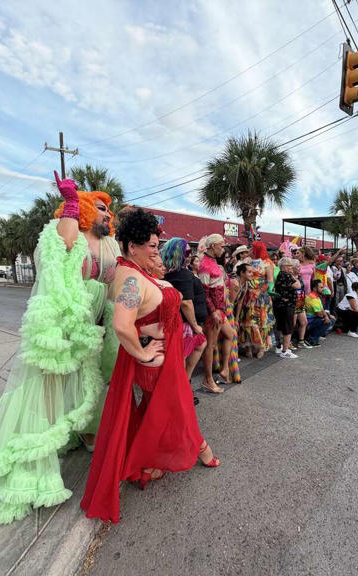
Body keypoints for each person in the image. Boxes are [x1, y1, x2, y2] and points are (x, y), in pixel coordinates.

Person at [0, 173, 121, 525]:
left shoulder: (112, 245)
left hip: (94, 325)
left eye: (109, 210)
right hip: (64, 325)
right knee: (43, 393)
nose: (107, 215)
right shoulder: (68, 235)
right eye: (99, 208)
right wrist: (72, 205)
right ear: (80, 213)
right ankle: (28, 475)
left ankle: (85, 434)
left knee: (90, 382)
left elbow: (115, 285)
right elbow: (60, 249)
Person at [81, 209, 220, 524]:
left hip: (165, 356)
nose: (158, 251)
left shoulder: (136, 271)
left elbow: (142, 315)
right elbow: (121, 324)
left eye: (158, 246)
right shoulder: (130, 277)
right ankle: (202, 451)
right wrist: (143, 354)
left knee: (163, 410)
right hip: (157, 361)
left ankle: (145, 462)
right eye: (153, 247)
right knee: (179, 408)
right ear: (133, 247)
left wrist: (147, 331)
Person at [161, 238, 207, 384]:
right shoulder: (181, 274)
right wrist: (195, 326)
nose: (190, 255)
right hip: (182, 324)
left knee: (199, 345)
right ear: (178, 254)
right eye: (187, 252)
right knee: (181, 357)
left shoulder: (169, 272)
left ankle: (183, 383)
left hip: (174, 323)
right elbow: (186, 303)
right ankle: (182, 386)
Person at [198, 234, 233, 393]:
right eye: (221, 245)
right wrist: (213, 312)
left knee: (230, 334)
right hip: (213, 312)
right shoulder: (205, 265)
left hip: (219, 309)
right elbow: (203, 293)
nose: (223, 248)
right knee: (210, 345)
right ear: (213, 247)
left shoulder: (211, 262)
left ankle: (224, 369)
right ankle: (208, 379)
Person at [272, 257, 299, 358]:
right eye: (289, 265)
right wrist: (294, 278)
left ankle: (279, 347)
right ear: (284, 266)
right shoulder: (287, 275)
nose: (291, 267)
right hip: (287, 305)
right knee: (288, 327)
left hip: (279, 304)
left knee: (280, 326)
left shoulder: (279, 275)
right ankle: (285, 351)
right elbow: (298, 285)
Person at [304, 279, 335, 346]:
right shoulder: (313, 298)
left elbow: (322, 309)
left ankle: (315, 336)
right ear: (315, 288)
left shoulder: (315, 296)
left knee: (330, 318)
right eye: (321, 287)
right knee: (328, 321)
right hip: (309, 321)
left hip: (313, 319)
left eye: (323, 287)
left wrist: (327, 316)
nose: (323, 289)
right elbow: (319, 314)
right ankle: (311, 339)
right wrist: (326, 317)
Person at [291, 260, 310, 349]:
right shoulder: (290, 277)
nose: (299, 268)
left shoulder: (299, 276)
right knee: (293, 323)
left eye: (299, 266)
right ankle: (288, 342)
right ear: (292, 267)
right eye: (297, 267)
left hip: (301, 299)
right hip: (293, 300)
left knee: (304, 322)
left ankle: (301, 341)